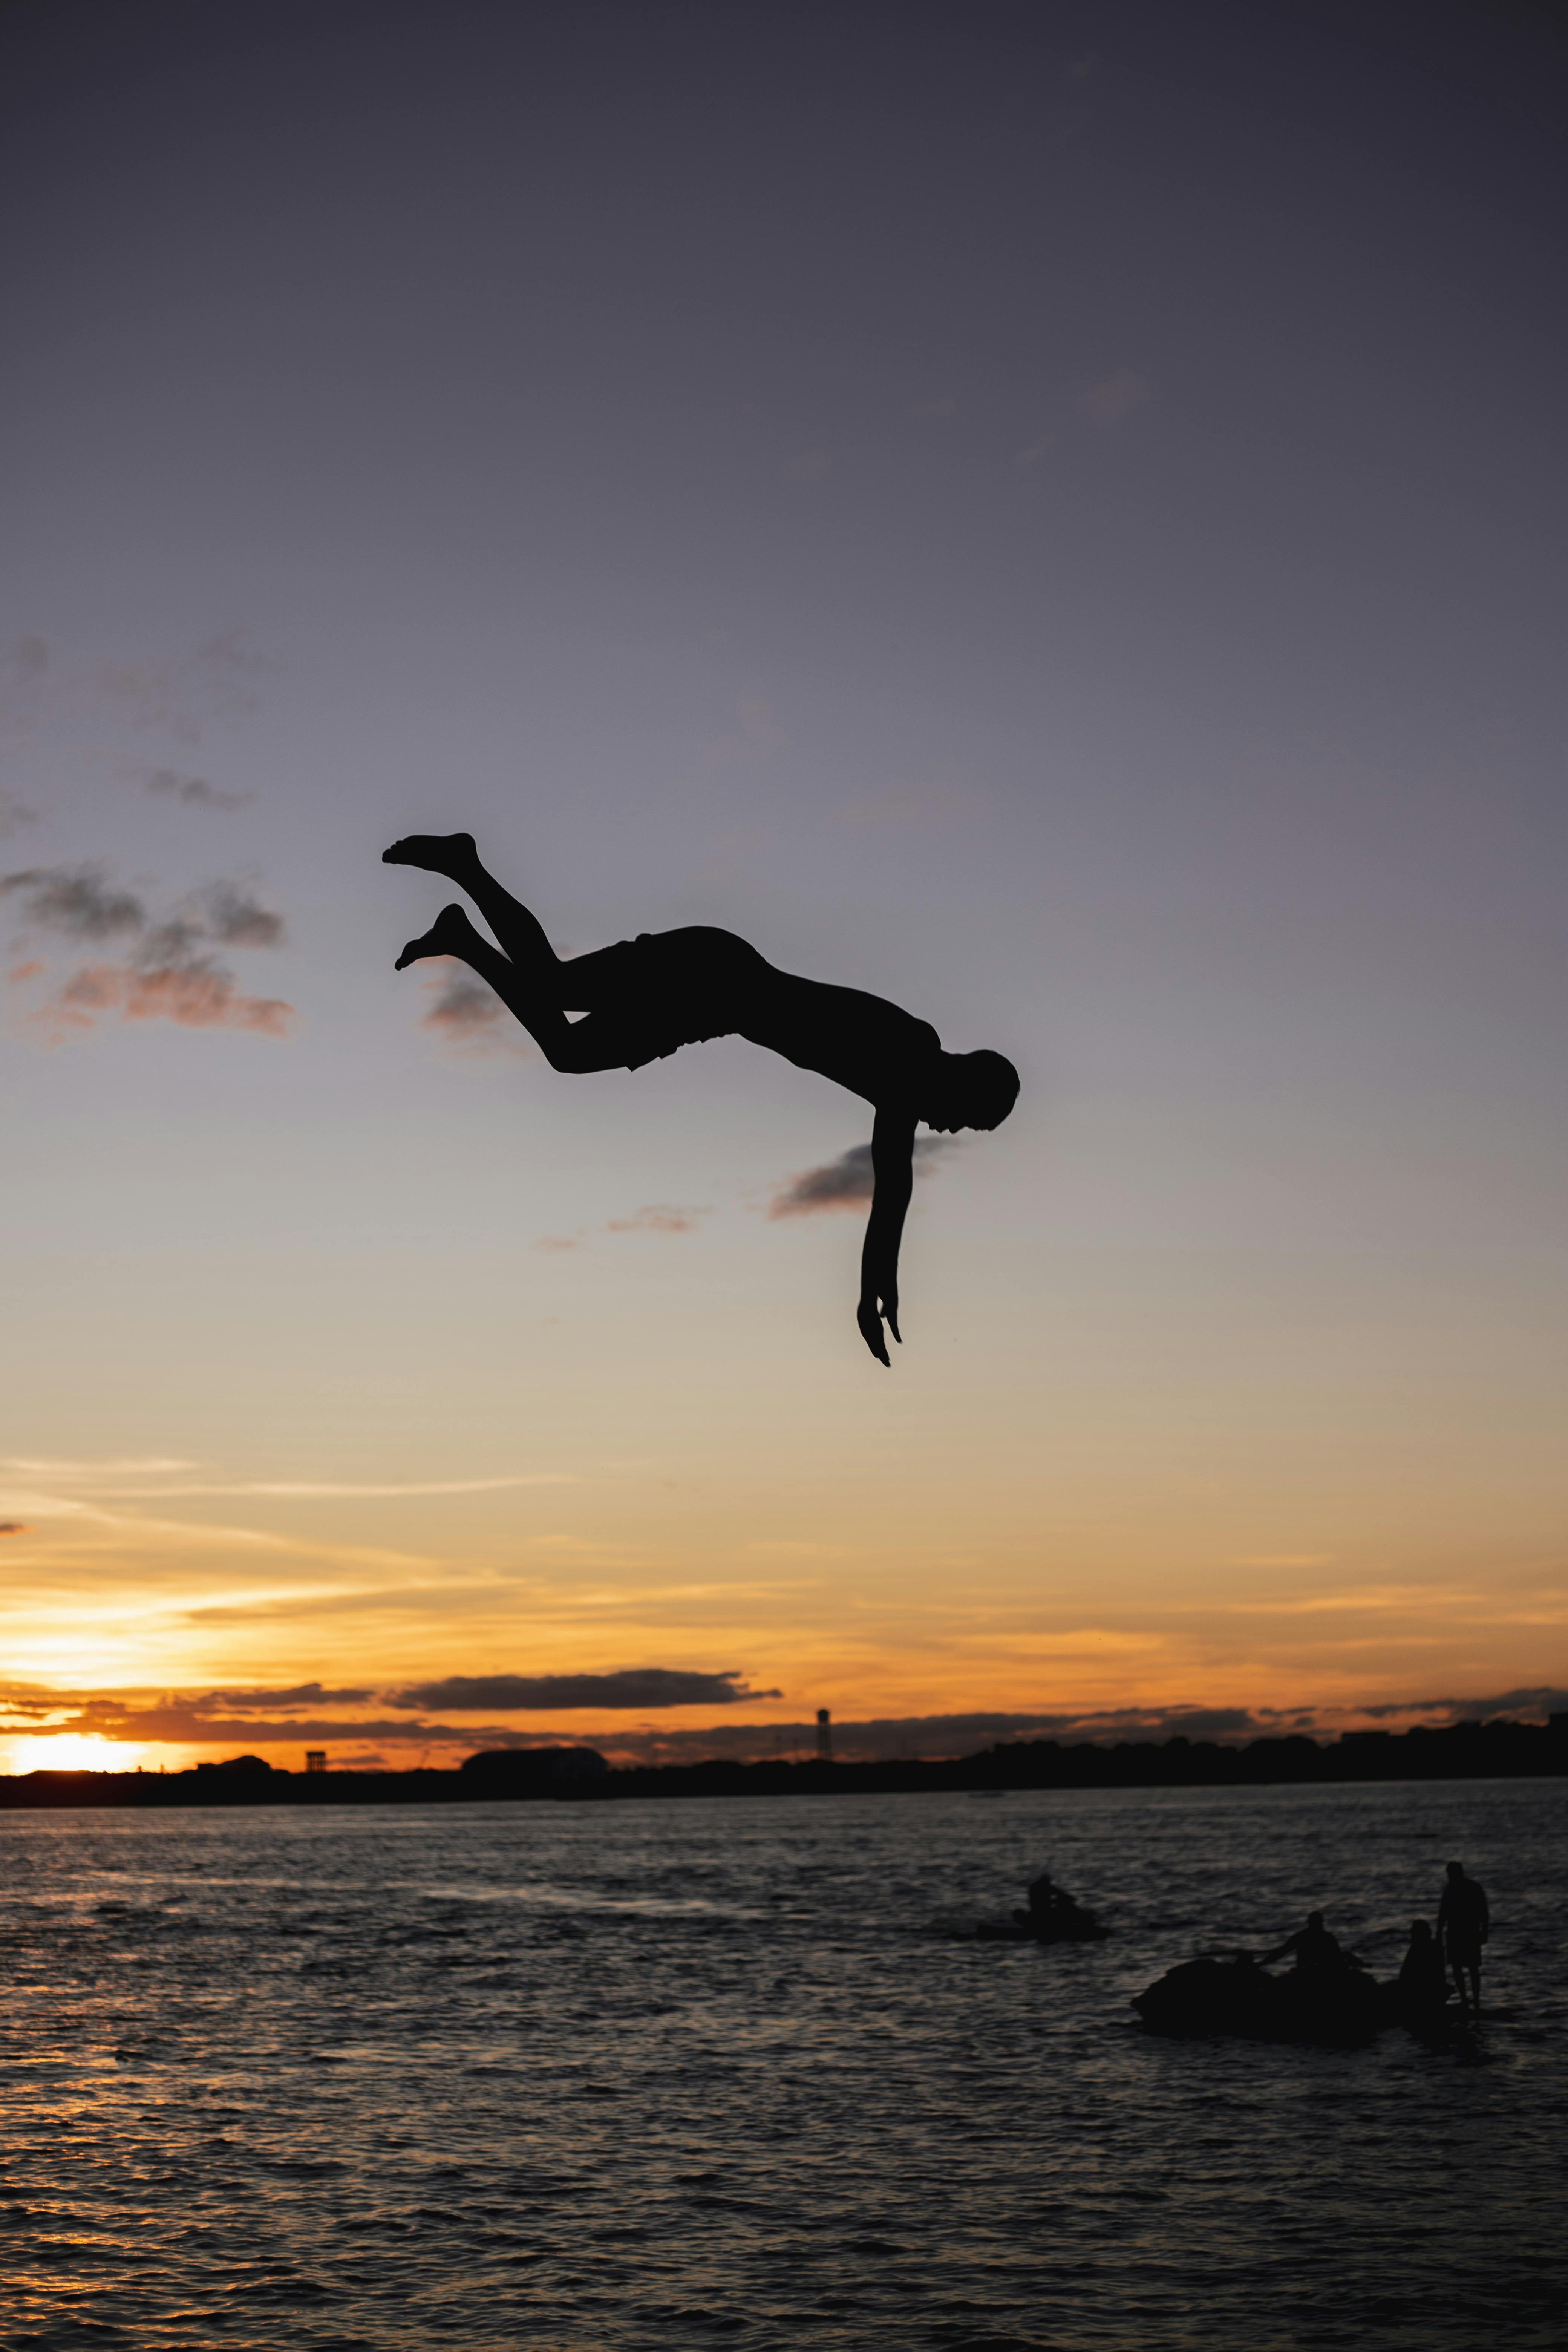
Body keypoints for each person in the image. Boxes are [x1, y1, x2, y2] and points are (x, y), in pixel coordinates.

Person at [386, 832, 1020, 1364]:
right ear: (965, 1075)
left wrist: (878, 1280)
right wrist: (876, 1280)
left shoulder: (904, 1081)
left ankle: (463, 939)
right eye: (967, 1117)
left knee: (566, 1051)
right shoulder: (911, 1052)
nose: (953, 1127)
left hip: (710, 1007)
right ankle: (466, 864)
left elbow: (894, 1181)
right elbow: (895, 1181)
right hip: (711, 972)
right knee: (554, 986)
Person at [1436, 1860, 1490, 2015]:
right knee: (1458, 1967)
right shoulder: (1450, 1889)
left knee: (1472, 1968)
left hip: (1469, 1933)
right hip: (1455, 1933)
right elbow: (1443, 1914)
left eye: (1451, 1874)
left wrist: (1484, 1932)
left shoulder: (1473, 1888)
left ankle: (1475, 2000)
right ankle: (1465, 1999)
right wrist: (1439, 1934)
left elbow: (1484, 1912)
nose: (1450, 1876)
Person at [1260, 1910, 1346, 1978]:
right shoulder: (1328, 1938)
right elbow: (1281, 1952)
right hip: (1315, 1973)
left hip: (1310, 1973)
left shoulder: (1303, 1937)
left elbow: (1281, 1952)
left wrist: (1261, 1964)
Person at [1395, 1918, 1448, 2017]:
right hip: (1435, 1988)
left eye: (1414, 1933)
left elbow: (1406, 1974)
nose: (1412, 1936)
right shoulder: (1436, 1947)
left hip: (1425, 1989)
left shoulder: (1418, 1949)